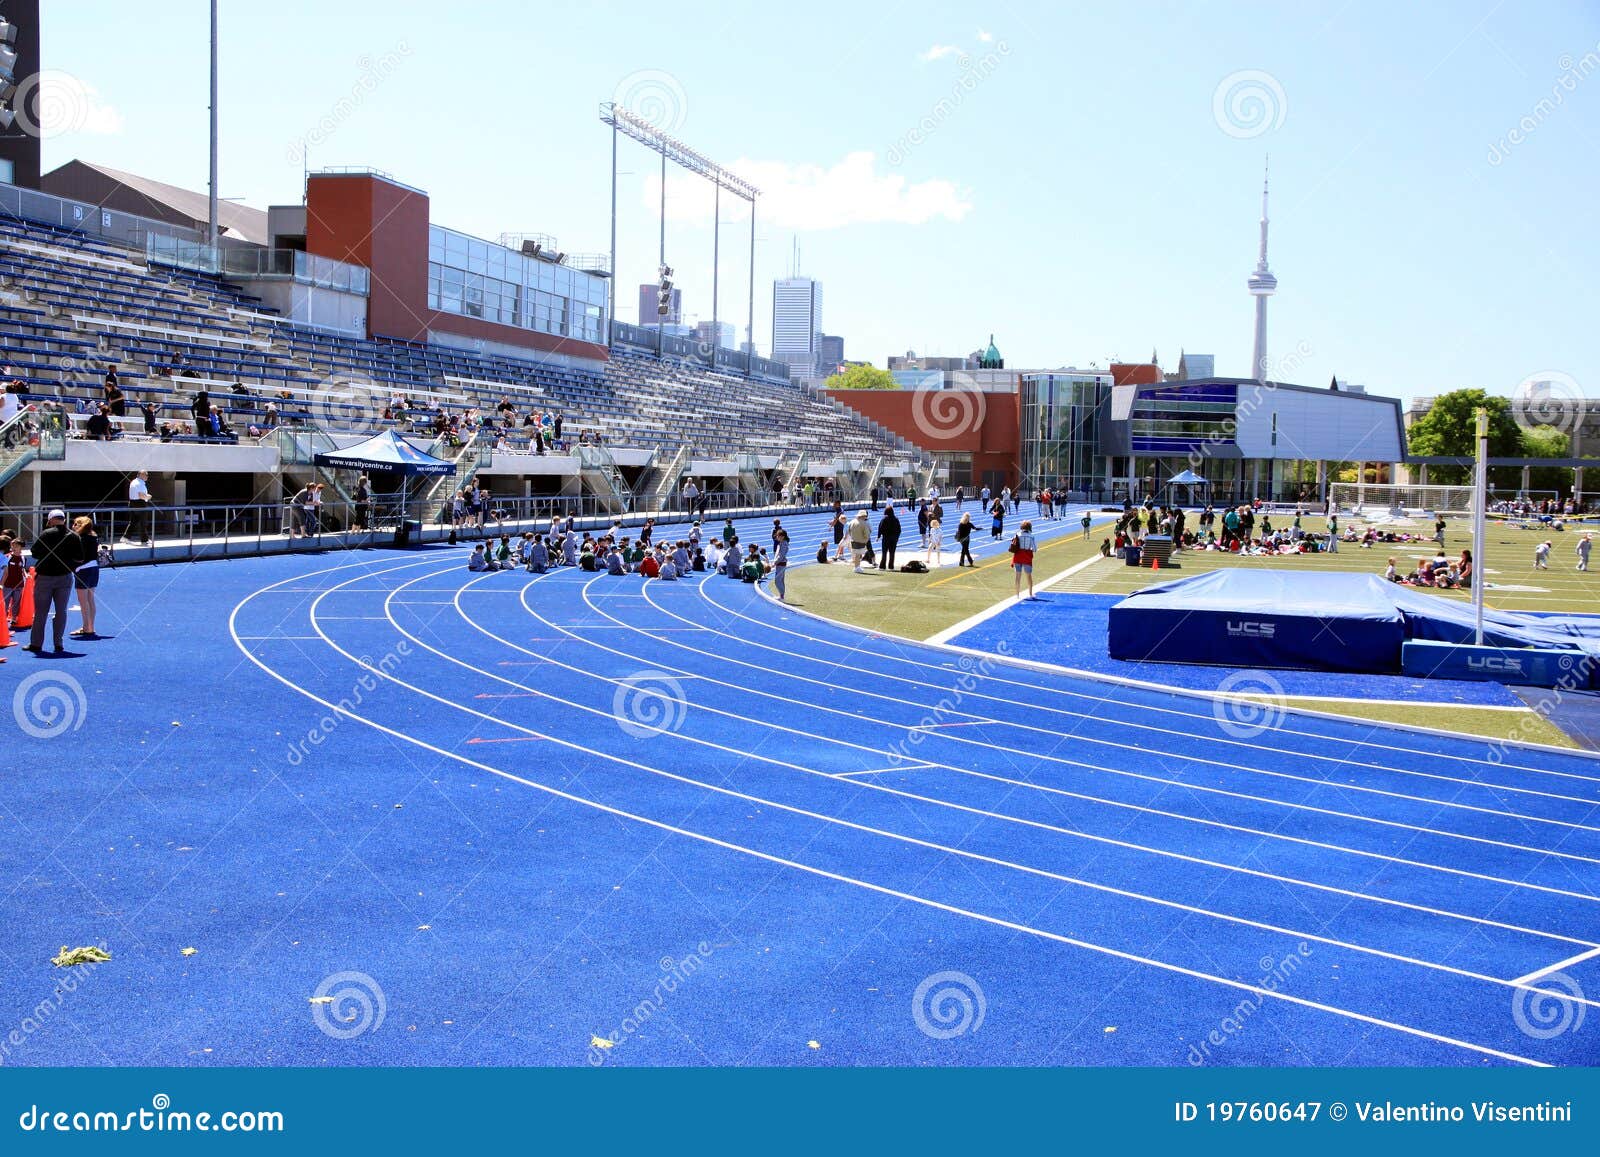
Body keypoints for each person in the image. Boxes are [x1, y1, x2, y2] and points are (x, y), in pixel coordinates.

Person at [26, 509, 82, 654]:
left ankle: (36, 644)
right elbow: (79, 558)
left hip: (45, 576)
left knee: (41, 612)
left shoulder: (46, 534)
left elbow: (35, 552)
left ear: (50, 520)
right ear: (64, 519)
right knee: (61, 611)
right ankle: (58, 643)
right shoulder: (74, 536)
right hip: (64, 576)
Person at [70, 516, 101, 639]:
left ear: (80, 526)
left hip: (83, 570)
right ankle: (90, 626)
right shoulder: (93, 537)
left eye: (75, 524)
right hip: (94, 568)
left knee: (83, 601)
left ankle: (86, 628)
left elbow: (79, 556)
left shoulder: (81, 538)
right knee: (90, 599)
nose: (73, 526)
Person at [1010, 519, 1038, 600]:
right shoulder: (1031, 536)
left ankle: (1017, 595)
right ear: (1029, 527)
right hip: (1027, 556)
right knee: (1028, 576)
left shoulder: (1017, 534)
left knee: (1018, 576)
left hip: (1018, 556)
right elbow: (1035, 549)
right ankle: (1030, 594)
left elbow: (1013, 544)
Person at [3, 539, 26, 628]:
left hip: (19, 584)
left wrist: (26, 575)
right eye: (12, 546)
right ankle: (3, 619)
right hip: (8, 584)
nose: (13, 548)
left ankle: (14, 618)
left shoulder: (23, 558)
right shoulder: (7, 557)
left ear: (21, 547)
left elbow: (23, 569)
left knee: (16, 602)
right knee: (5, 602)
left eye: (16, 546)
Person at [877, 505, 901, 572]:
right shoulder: (896, 519)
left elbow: (880, 528)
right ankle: (891, 566)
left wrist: (878, 536)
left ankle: (882, 566)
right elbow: (899, 529)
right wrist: (897, 537)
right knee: (892, 552)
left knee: (884, 552)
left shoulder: (884, 519)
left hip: (886, 537)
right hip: (894, 538)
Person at [771, 525, 791, 600]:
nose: (776, 537)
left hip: (781, 564)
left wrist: (774, 563)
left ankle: (781, 596)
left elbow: (781, 556)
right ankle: (781, 595)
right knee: (780, 580)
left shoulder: (784, 544)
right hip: (780, 564)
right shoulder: (782, 543)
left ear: (782, 536)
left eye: (778, 536)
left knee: (777, 581)